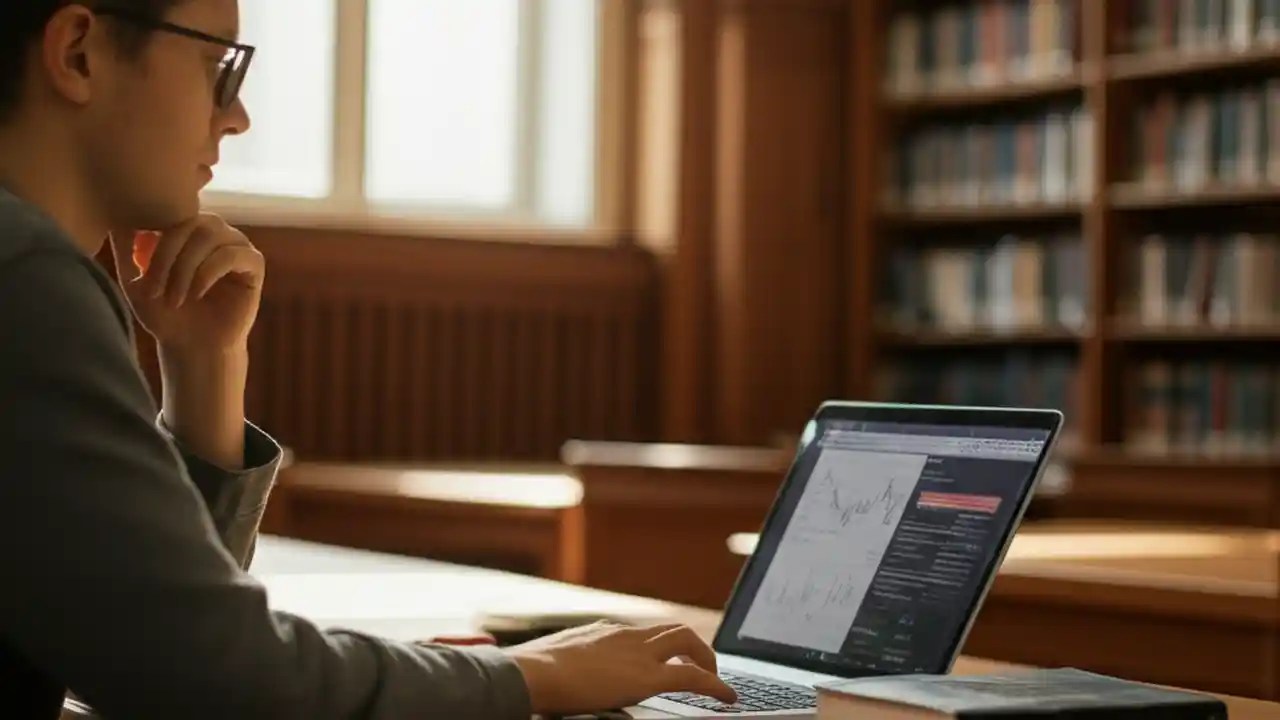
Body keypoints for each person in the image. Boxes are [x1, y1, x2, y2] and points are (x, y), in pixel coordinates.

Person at [0, 1, 738, 718]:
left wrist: (203, 368)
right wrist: (530, 675)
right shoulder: (25, 276)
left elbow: (137, 640)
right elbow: (200, 669)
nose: (237, 116)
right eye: (218, 64)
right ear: (77, 53)